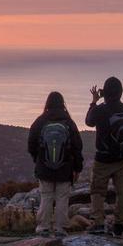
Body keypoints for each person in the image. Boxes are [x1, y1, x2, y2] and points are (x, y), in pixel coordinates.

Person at [85, 76, 123, 236]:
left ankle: (99, 223)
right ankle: (119, 224)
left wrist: (94, 101)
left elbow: (88, 121)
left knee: (98, 191)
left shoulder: (101, 110)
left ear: (104, 92)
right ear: (121, 92)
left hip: (104, 158)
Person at [27, 91, 84, 237]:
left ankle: (43, 227)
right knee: (62, 197)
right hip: (65, 168)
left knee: (46, 196)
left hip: (44, 167)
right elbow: (77, 147)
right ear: (62, 103)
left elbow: (31, 144)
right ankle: (60, 228)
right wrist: (77, 168)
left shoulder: (40, 121)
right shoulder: (69, 122)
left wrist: (37, 159)